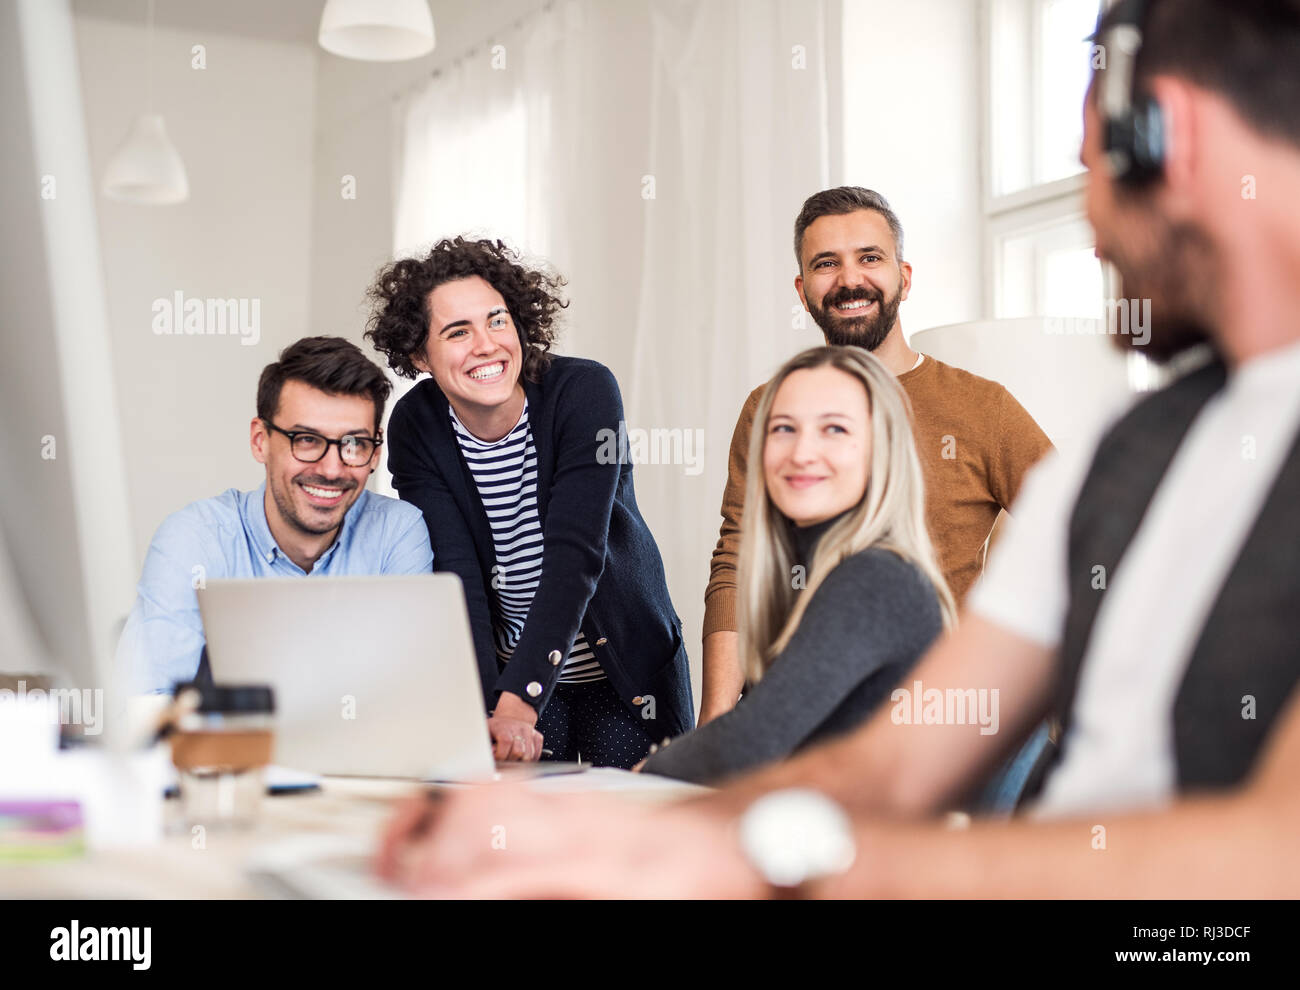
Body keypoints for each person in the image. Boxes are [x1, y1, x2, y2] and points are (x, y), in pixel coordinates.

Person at [375, 0, 1300, 898]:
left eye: (1092, 169)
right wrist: (623, 829)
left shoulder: (969, 476)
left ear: (1163, 132)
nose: (1093, 230)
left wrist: (764, 862)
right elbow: (892, 765)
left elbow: (1271, 857)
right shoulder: (1125, 458)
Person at [699, 187, 1052, 726]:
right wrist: (717, 720)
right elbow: (737, 563)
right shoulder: (771, 409)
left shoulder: (984, 408)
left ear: (904, 278)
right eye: (826, 263)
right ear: (802, 289)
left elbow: (1074, 526)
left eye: (869, 258)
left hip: (926, 719)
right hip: (790, 709)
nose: (849, 280)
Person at [365, 237, 692, 768]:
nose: (486, 344)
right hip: (510, 675)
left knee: (631, 831)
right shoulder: (416, 425)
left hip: (625, 673)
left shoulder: (583, 391)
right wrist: (489, 706)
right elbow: (457, 576)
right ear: (420, 355)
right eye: (457, 331)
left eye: (497, 320)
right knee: (522, 835)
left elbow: (576, 554)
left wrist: (519, 701)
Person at [639, 345, 954, 784]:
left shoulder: (875, 578)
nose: (802, 452)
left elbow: (749, 743)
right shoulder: (819, 572)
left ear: (881, 450)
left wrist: (647, 773)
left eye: (835, 429)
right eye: (783, 428)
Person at [118, 336, 433, 694]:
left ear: (375, 452)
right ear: (260, 441)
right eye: (307, 440)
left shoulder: (398, 533)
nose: (332, 469)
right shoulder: (195, 539)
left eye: (353, 444)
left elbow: (407, 698)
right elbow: (146, 708)